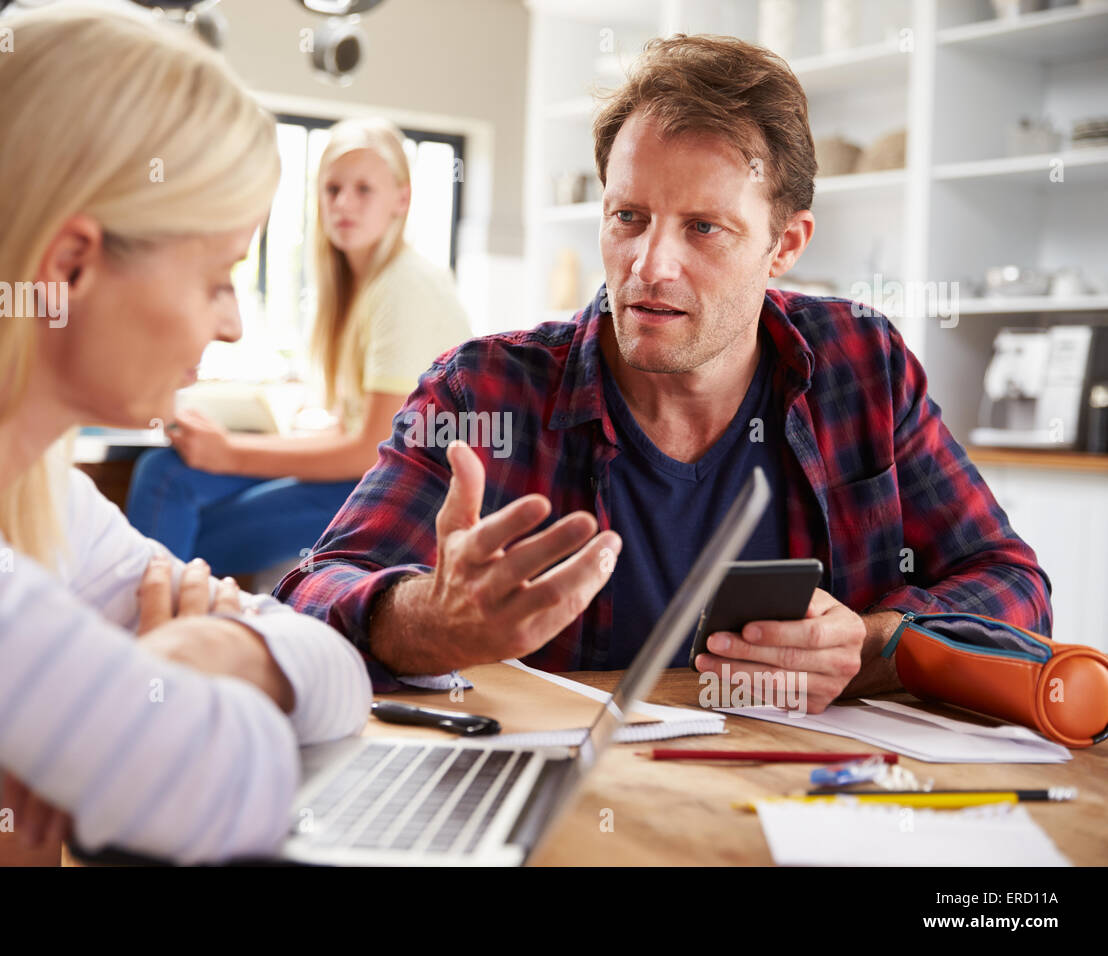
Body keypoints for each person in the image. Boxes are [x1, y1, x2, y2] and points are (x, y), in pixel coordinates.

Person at [276, 35, 1052, 712]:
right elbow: (308, 598)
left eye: (704, 228)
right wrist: (428, 620)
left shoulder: (864, 367)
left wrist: (878, 648)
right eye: (629, 217)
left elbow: (1014, 588)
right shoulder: (482, 391)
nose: (649, 266)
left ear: (785, 247)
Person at [0, 7, 370, 866]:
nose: (230, 323)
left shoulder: (46, 501)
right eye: (218, 278)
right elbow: (220, 789)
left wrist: (194, 647)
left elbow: (333, 674)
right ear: (68, 268)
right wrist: (165, 708)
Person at [124, 118, 472, 578]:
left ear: (401, 200)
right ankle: (147, 619)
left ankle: (145, 623)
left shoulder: (403, 285)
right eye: (332, 189)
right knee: (167, 473)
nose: (343, 203)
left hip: (396, 497)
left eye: (363, 189)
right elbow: (359, 430)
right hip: (366, 478)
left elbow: (372, 447)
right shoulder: (364, 286)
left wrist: (228, 452)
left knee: (184, 513)